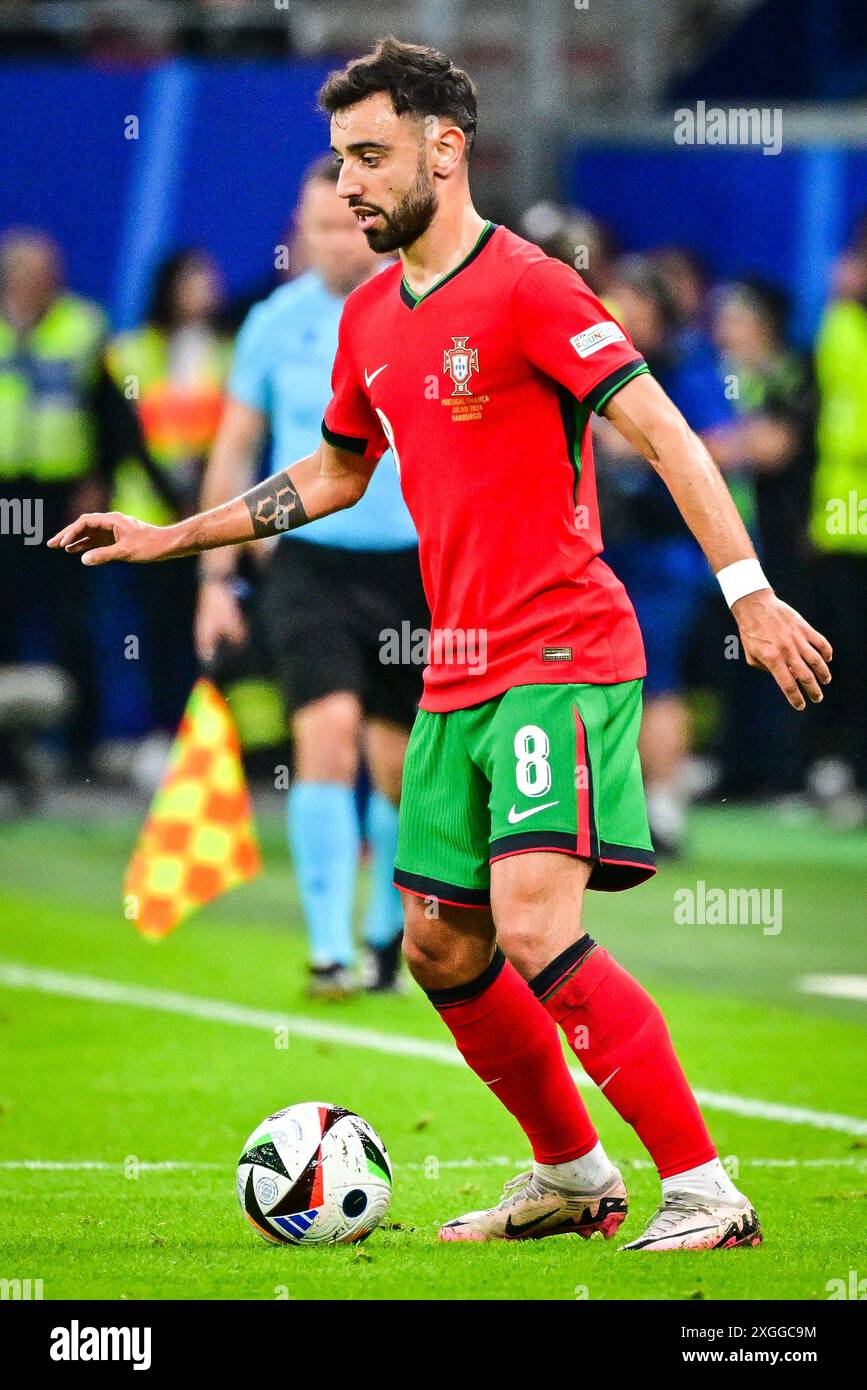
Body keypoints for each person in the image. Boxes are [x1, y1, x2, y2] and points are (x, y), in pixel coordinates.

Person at [49, 37, 832, 1252]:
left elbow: (668, 433)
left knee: (532, 923)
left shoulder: (532, 287)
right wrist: (175, 539)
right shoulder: (367, 315)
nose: (349, 184)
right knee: (440, 942)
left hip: (562, 648)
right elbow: (333, 471)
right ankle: (572, 1174)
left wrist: (749, 592)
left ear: (445, 148)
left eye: (370, 156)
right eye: (340, 160)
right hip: (457, 664)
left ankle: (706, 1190)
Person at [196, 155, 427, 996]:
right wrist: (217, 579)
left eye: (346, 223)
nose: (334, 241)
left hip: (415, 567)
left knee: (399, 769)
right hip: (307, 565)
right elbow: (233, 447)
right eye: (317, 228)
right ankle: (328, 950)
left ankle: (380, 942)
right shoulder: (274, 322)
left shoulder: (425, 312)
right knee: (323, 739)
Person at [106, 250, 232, 734]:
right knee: (150, 631)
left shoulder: (226, 351)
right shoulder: (131, 352)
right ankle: (158, 733)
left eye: (210, 279)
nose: (206, 289)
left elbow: (232, 436)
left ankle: (206, 735)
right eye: (194, 280)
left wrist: (200, 494)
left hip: (211, 514)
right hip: (147, 514)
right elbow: (125, 439)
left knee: (204, 625)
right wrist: (171, 496)